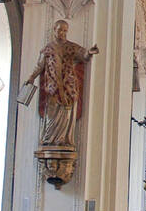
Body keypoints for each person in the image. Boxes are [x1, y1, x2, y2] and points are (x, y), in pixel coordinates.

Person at [22, 20, 98, 151]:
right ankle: (49, 139)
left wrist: (90, 52)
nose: (62, 33)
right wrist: (31, 78)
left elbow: (83, 55)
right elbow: (39, 66)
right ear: (54, 30)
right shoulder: (48, 49)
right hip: (53, 87)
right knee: (51, 114)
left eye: (65, 30)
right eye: (60, 30)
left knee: (66, 114)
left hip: (68, 87)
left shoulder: (71, 47)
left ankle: (64, 140)